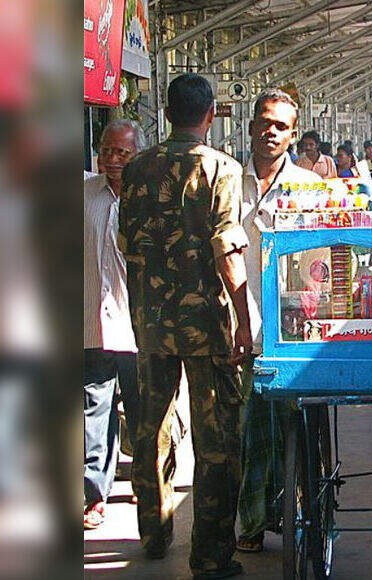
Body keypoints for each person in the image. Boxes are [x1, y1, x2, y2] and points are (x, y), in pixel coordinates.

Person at [120, 73, 252, 580]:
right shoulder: (220, 168)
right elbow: (228, 250)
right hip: (206, 328)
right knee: (215, 437)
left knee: (150, 428)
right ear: (211, 114)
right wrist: (243, 323)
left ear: (168, 112)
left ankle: (153, 532)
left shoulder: (136, 169)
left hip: (151, 323)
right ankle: (211, 555)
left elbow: (126, 240)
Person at [235, 89, 323, 554]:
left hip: (295, 330)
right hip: (239, 326)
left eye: (280, 126)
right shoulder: (228, 181)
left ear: (292, 135)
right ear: (250, 125)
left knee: (295, 426)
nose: (270, 132)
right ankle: (250, 523)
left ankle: (305, 514)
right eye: (264, 122)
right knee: (248, 431)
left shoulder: (311, 187)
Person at [84, 119, 145, 530]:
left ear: (137, 154)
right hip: (91, 322)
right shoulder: (83, 194)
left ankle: (148, 477)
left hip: (139, 326)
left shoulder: (151, 198)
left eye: (122, 152)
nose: (113, 159)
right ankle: (95, 493)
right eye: (107, 150)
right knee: (94, 407)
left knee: (144, 409)